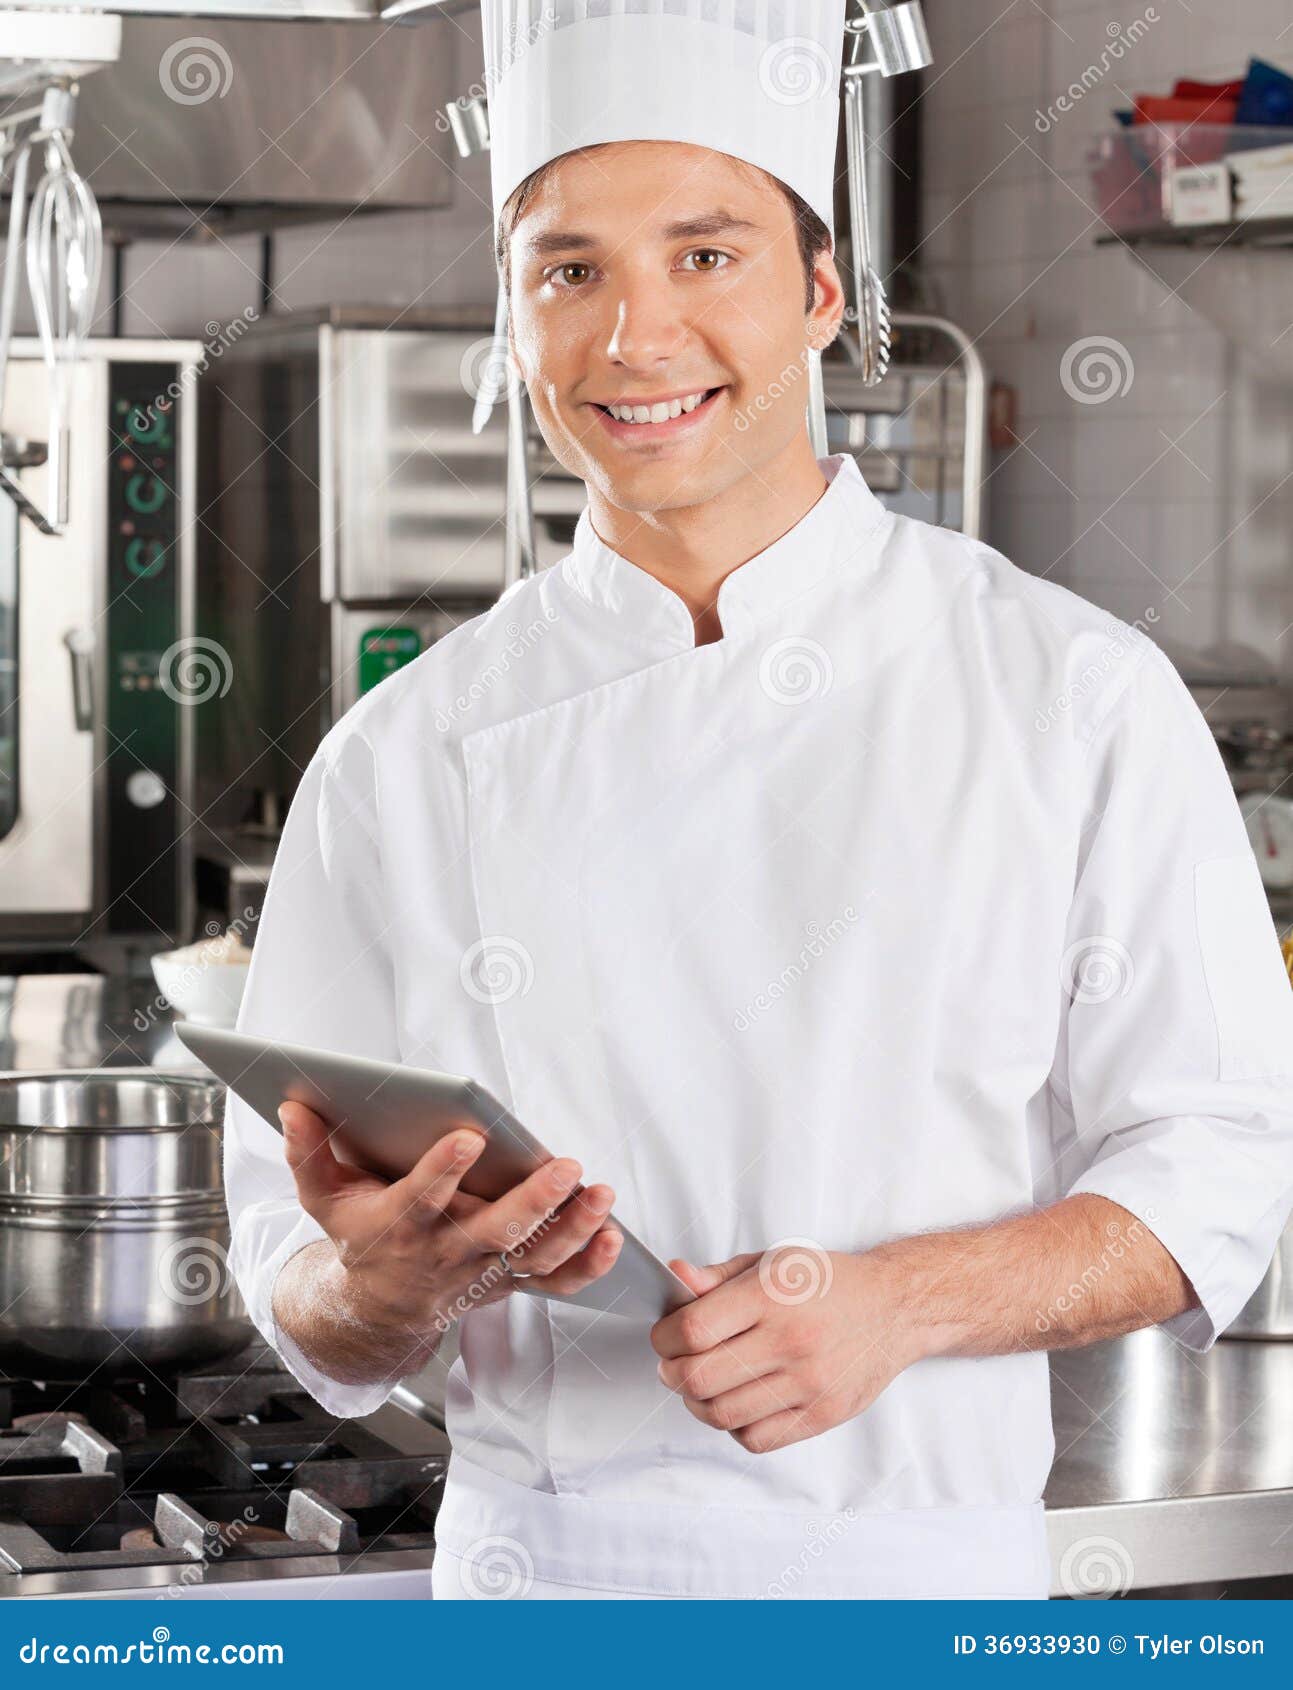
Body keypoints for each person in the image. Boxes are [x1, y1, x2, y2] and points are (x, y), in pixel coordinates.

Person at [222, 0, 1293, 1600]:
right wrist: (380, 1292)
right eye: (569, 271)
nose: (637, 339)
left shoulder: (1067, 692)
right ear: (512, 323)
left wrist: (898, 1304)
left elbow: (1212, 1164)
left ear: (819, 294)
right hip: (536, 1587)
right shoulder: (398, 751)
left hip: (912, 1589)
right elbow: (295, 1281)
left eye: (705, 254)